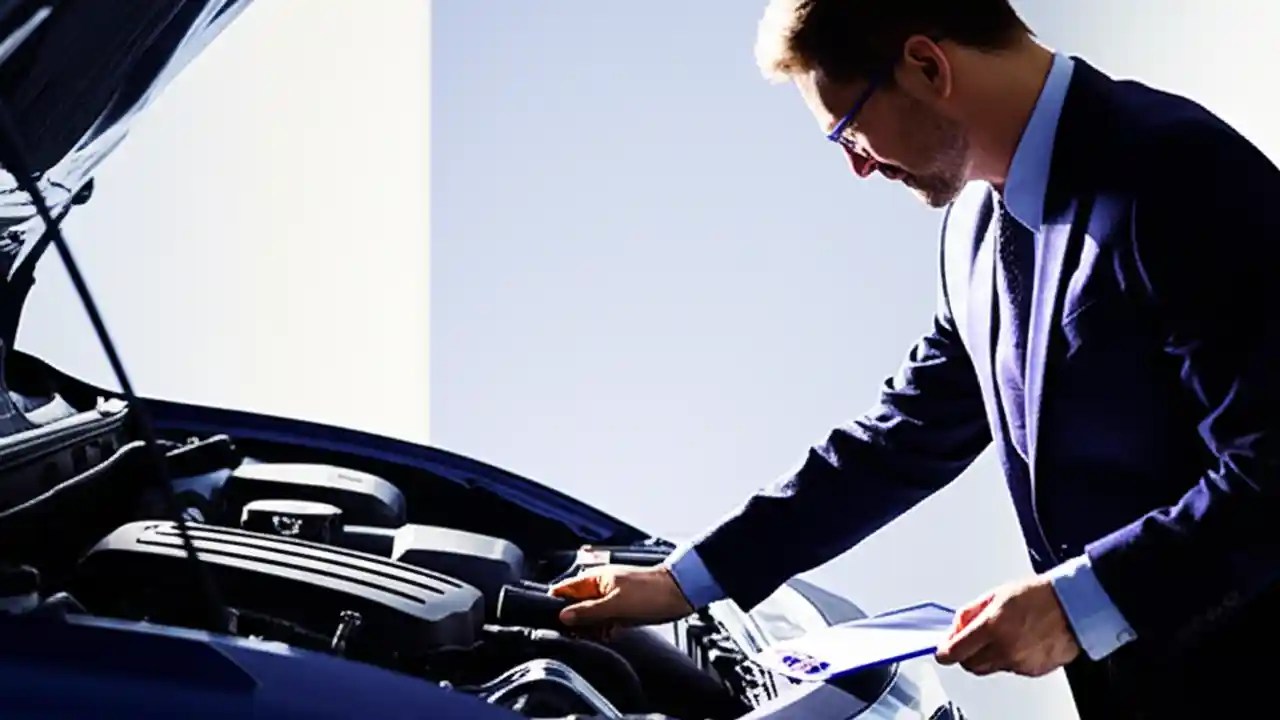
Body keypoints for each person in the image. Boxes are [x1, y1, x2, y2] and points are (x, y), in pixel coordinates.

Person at [550, 1, 1280, 716]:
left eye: (850, 130)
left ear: (927, 65)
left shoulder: (1182, 170)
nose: (858, 167)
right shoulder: (972, 230)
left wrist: (1082, 602)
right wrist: (684, 582)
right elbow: (902, 438)